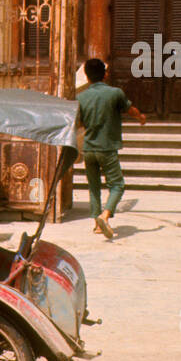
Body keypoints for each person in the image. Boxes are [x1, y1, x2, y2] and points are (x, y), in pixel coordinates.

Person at [76, 57, 146, 239]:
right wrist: (141, 118)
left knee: (93, 187)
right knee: (117, 185)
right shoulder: (115, 93)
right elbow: (131, 110)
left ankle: (97, 225)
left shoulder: (81, 97)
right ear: (105, 74)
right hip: (106, 147)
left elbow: (79, 121)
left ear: (86, 76)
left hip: (89, 148)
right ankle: (105, 216)